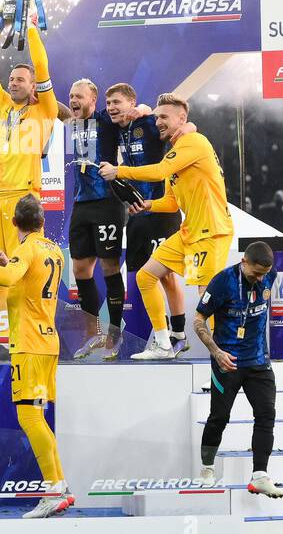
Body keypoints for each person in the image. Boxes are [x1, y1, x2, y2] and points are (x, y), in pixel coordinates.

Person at [0, 194, 72, 519]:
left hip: (30, 344)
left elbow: (9, 280)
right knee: (37, 417)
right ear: (42, 221)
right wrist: (6, 263)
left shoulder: (27, 249)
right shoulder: (50, 249)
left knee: (30, 418)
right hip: (48, 342)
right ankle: (59, 487)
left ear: (13, 223)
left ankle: (53, 489)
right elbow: (25, 278)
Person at [100, 93, 232, 360]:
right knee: (146, 276)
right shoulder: (176, 151)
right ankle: (162, 343)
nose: (158, 122)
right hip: (190, 232)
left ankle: (223, 362)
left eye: (164, 117)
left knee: (208, 298)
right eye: (157, 116)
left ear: (182, 119)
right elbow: (172, 203)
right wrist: (148, 205)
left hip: (210, 232)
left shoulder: (193, 142)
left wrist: (120, 171)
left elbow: (159, 171)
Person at [0, 16, 59, 316]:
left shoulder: (45, 110)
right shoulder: (5, 105)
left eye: (20, 79)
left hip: (22, 196)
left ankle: (22, 320)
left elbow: (43, 67)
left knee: (19, 263)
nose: (12, 82)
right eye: (11, 78)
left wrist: (32, 31)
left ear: (34, 85)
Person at [194, 240, 283, 497]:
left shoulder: (269, 275)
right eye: (255, 273)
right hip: (227, 361)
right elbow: (198, 319)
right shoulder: (222, 282)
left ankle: (260, 475)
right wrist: (216, 352)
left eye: (264, 274)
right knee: (218, 417)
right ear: (244, 261)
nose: (260, 278)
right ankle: (207, 470)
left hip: (258, 361)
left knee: (266, 414)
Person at [104, 83, 186, 351]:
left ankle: (177, 333)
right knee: (142, 275)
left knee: (165, 275)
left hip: (162, 209)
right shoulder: (115, 128)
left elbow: (186, 129)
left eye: (117, 102)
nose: (112, 108)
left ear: (132, 102)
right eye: (109, 103)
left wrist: (145, 110)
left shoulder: (150, 122)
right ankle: (159, 335)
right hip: (138, 212)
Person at [65, 79, 127, 349]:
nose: (73, 100)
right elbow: (55, 108)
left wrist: (143, 110)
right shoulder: (71, 122)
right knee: (79, 268)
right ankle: (93, 332)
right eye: (70, 96)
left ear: (93, 99)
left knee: (109, 266)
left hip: (107, 202)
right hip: (81, 204)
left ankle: (114, 332)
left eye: (79, 96)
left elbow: (135, 111)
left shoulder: (106, 120)